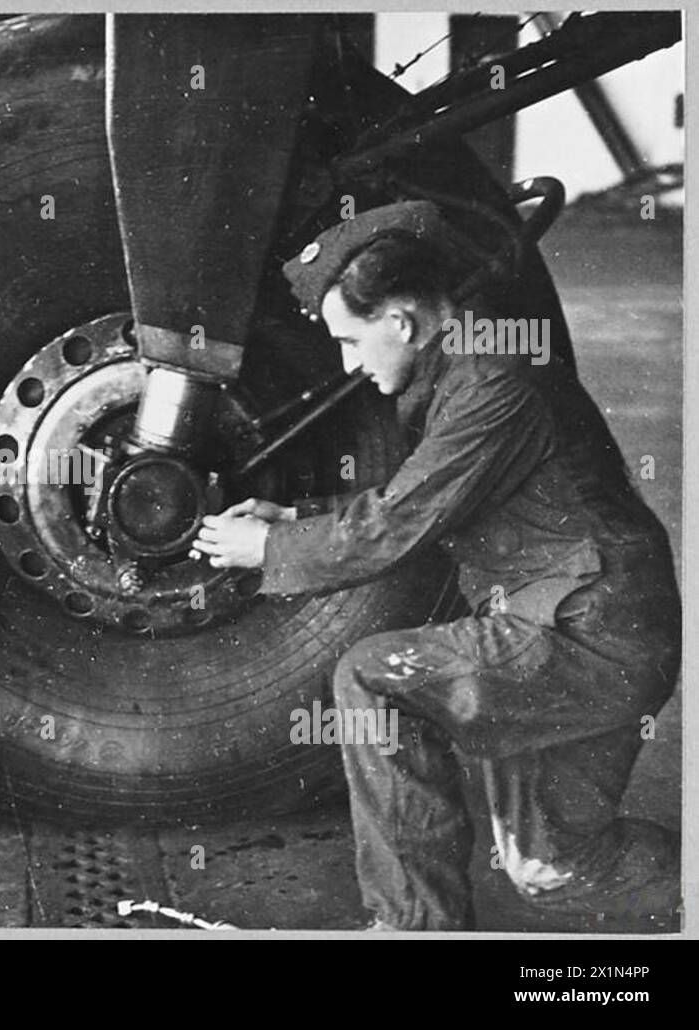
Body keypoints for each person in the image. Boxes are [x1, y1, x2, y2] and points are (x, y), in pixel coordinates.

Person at [190, 200, 681, 931]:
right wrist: (292, 520)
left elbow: (397, 524)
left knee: (372, 678)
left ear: (401, 321)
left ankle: (413, 929)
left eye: (351, 341)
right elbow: (422, 490)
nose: (348, 364)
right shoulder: (463, 360)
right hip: (571, 618)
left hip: (591, 632)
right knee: (555, 870)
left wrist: (269, 551)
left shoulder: (493, 381)